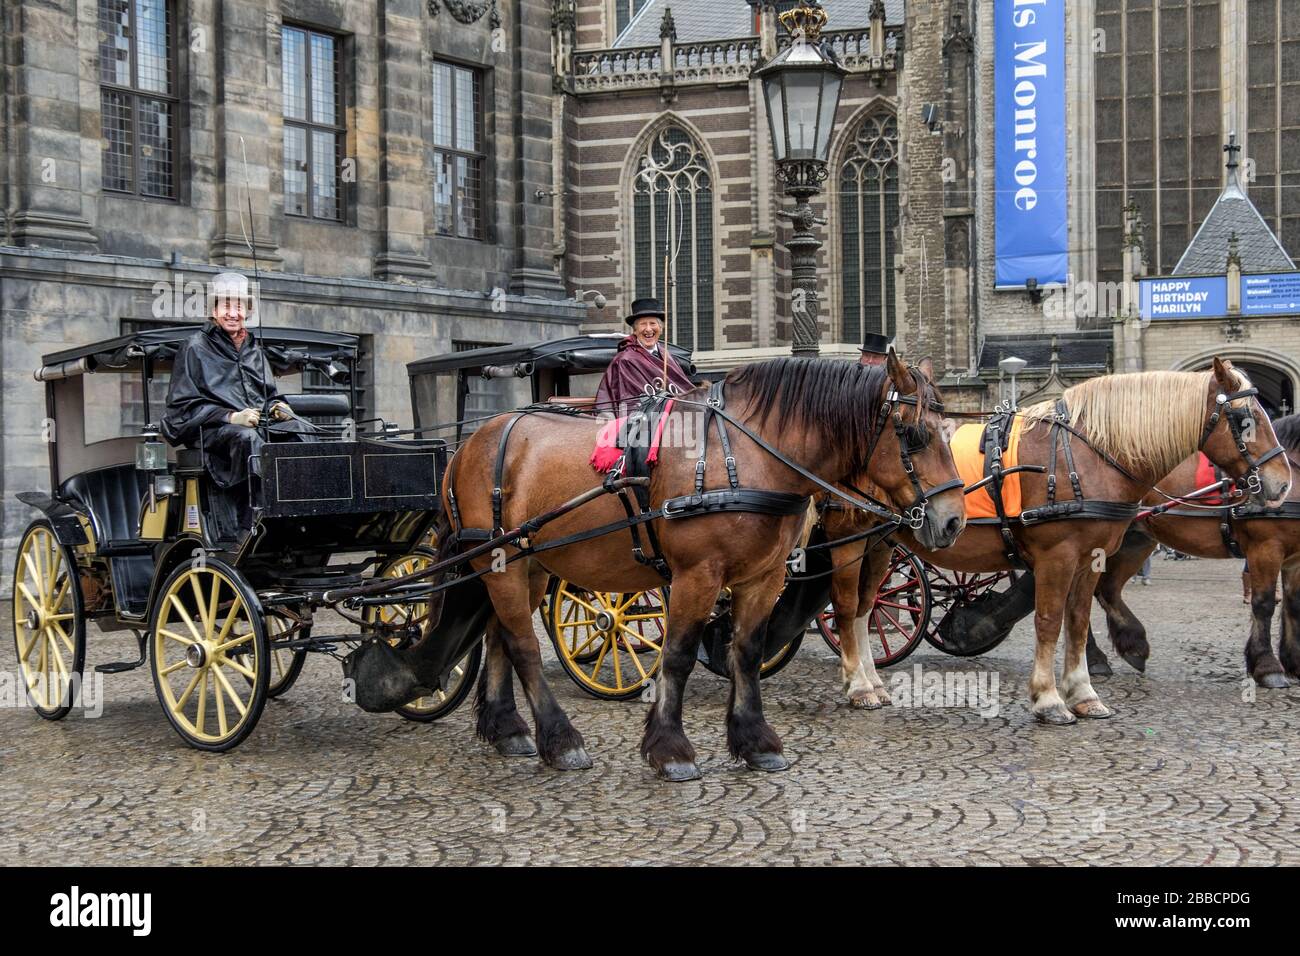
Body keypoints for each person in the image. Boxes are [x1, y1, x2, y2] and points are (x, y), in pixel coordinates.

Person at [161, 272, 316, 489]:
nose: (233, 313)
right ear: (214, 311)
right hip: (213, 432)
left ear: (246, 312)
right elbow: (181, 409)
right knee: (247, 437)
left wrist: (277, 407)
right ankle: (258, 509)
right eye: (226, 306)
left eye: (239, 307)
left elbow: (267, 396)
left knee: (300, 428)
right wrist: (231, 417)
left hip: (259, 426)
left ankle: (307, 494)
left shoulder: (254, 349)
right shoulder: (194, 347)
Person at [594, 298, 696, 419]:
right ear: (635, 331)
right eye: (643, 324)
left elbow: (682, 389)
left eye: (653, 323)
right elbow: (630, 403)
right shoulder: (625, 360)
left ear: (661, 328)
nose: (648, 329)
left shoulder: (668, 356)